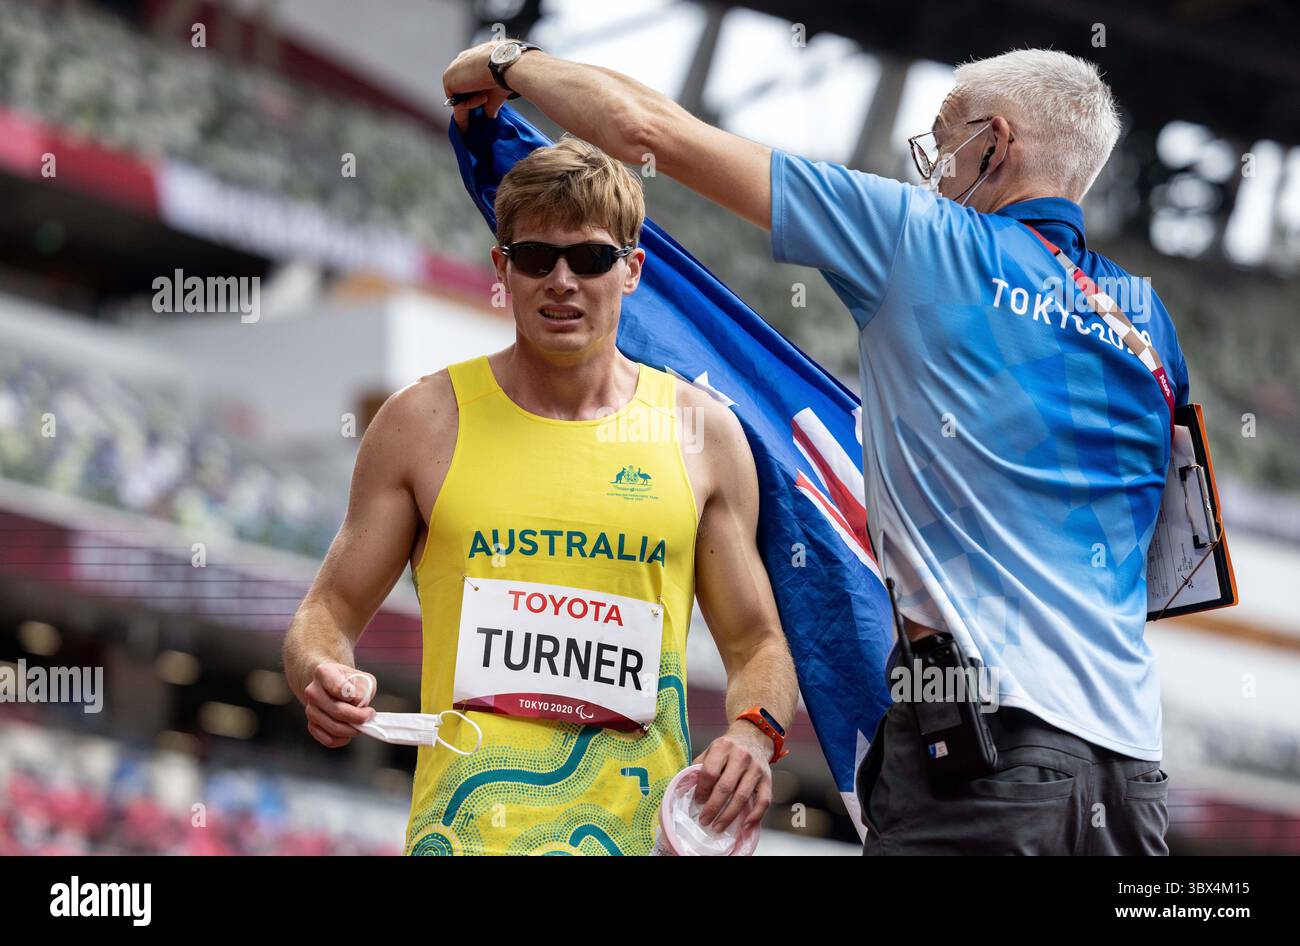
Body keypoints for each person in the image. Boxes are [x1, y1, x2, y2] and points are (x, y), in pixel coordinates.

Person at [444, 42, 1188, 855]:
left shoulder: (921, 238)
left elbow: (646, 128)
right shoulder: (1146, 321)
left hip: (987, 763)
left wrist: (510, 63)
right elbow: (1168, 546)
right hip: (1131, 777)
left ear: (995, 144)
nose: (931, 165)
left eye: (943, 140)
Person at [282, 135, 798, 855]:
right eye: (535, 258)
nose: (562, 280)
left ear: (632, 271)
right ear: (503, 268)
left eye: (590, 259)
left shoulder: (701, 436)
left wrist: (752, 730)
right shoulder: (422, 423)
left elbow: (758, 642)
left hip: (636, 840)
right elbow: (326, 612)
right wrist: (324, 671)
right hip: (461, 839)